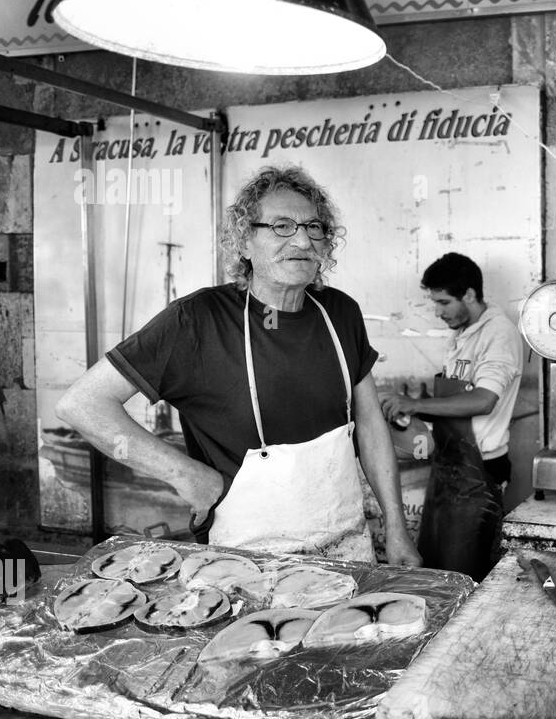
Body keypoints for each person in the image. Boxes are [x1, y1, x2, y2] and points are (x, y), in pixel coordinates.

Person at [57, 165, 420, 566]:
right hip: (246, 558)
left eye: (313, 227)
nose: (302, 239)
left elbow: (369, 424)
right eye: (281, 226)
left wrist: (397, 528)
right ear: (245, 241)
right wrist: (184, 474)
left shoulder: (340, 313)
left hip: (347, 547)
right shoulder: (197, 320)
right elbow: (83, 404)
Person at [379, 253, 522, 579]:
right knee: (435, 570)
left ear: (469, 295)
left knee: (463, 576)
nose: (437, 312)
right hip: (449, 467)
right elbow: (456, 397)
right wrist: (413, 412)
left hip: (479, 473)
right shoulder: (463, 333)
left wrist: (414, 406)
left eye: (443, 302)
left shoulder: (497, 334)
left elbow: (484, 400)